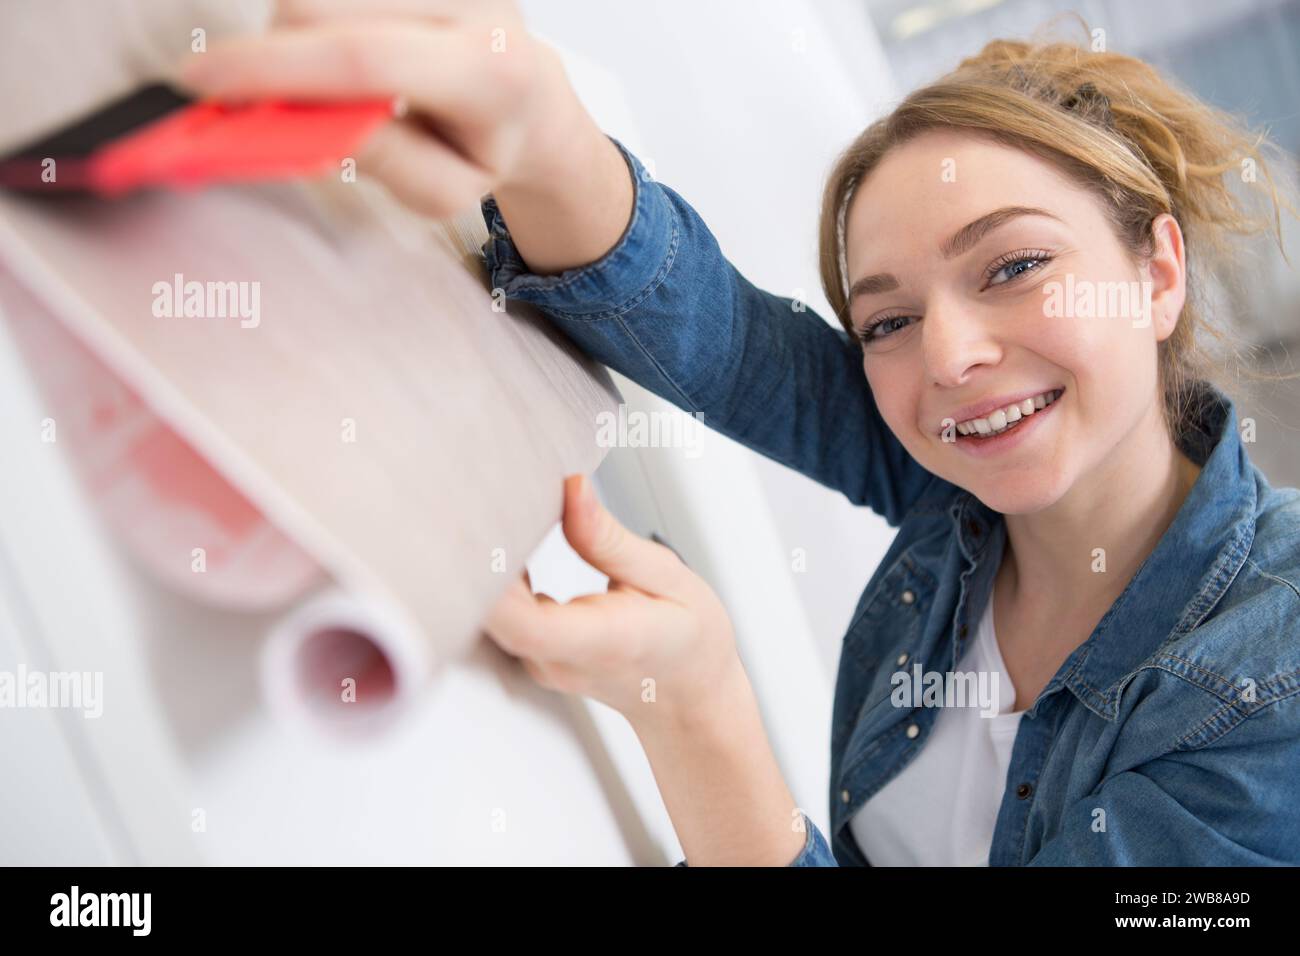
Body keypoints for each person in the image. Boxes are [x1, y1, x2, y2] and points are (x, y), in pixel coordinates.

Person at [181, 0, 1300, 865]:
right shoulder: (969, 494)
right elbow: (720, 339)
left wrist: (701, 711)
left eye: (1012, 266)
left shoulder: (1275, 661)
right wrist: (537, 133)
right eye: (889, 319)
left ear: (1156, 274)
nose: (949, 355)